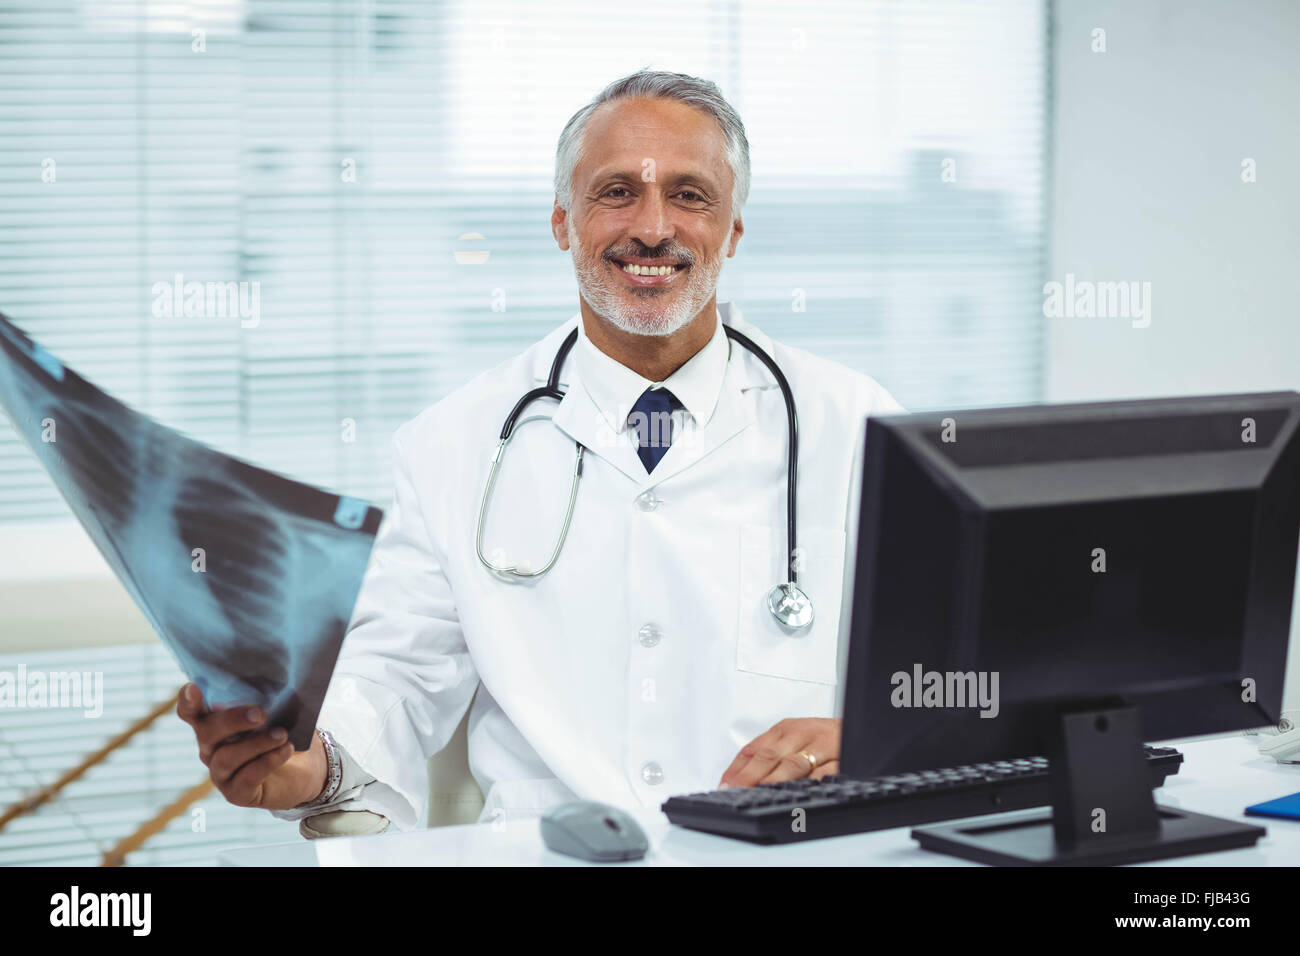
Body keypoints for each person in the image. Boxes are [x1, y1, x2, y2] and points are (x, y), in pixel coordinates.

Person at [178, 69, 904, 832]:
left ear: (734, 230)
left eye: (690, 196)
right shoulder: (449, 445)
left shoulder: (858, 426)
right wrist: (307, 765)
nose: (653, 227)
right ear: (563, 220)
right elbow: (396, 677)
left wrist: (877, 744)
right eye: (616, 191)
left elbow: (948, 681)